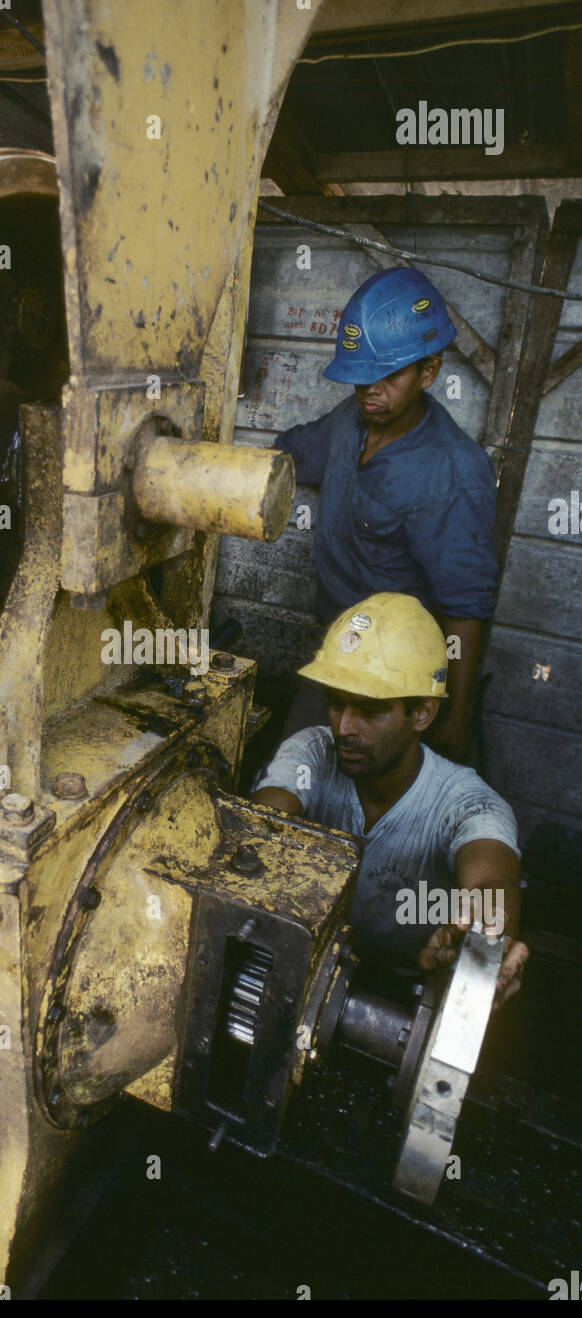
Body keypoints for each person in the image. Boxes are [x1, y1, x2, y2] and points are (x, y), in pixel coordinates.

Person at [252, 593, 528, 1008]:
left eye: (370, 710)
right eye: (337, 703)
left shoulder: (467, 802)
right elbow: (266, 818)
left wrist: (488, 936)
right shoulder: (312, 751)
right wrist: (255, 840)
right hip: (296, 967)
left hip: (399, 993)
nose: (344, 727)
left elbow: (492, 882)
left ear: (422, 714)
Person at [275, 266, 497, 764]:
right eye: (359, 378)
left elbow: (465, 613)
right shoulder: (349, 421)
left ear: (429, 371)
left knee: (372, 820)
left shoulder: (453, 472)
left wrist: (450, 721)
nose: (370, 391)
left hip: (398, 680)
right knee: (291, 782)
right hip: (337, 654)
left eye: (388, 376)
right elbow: (292, 453)